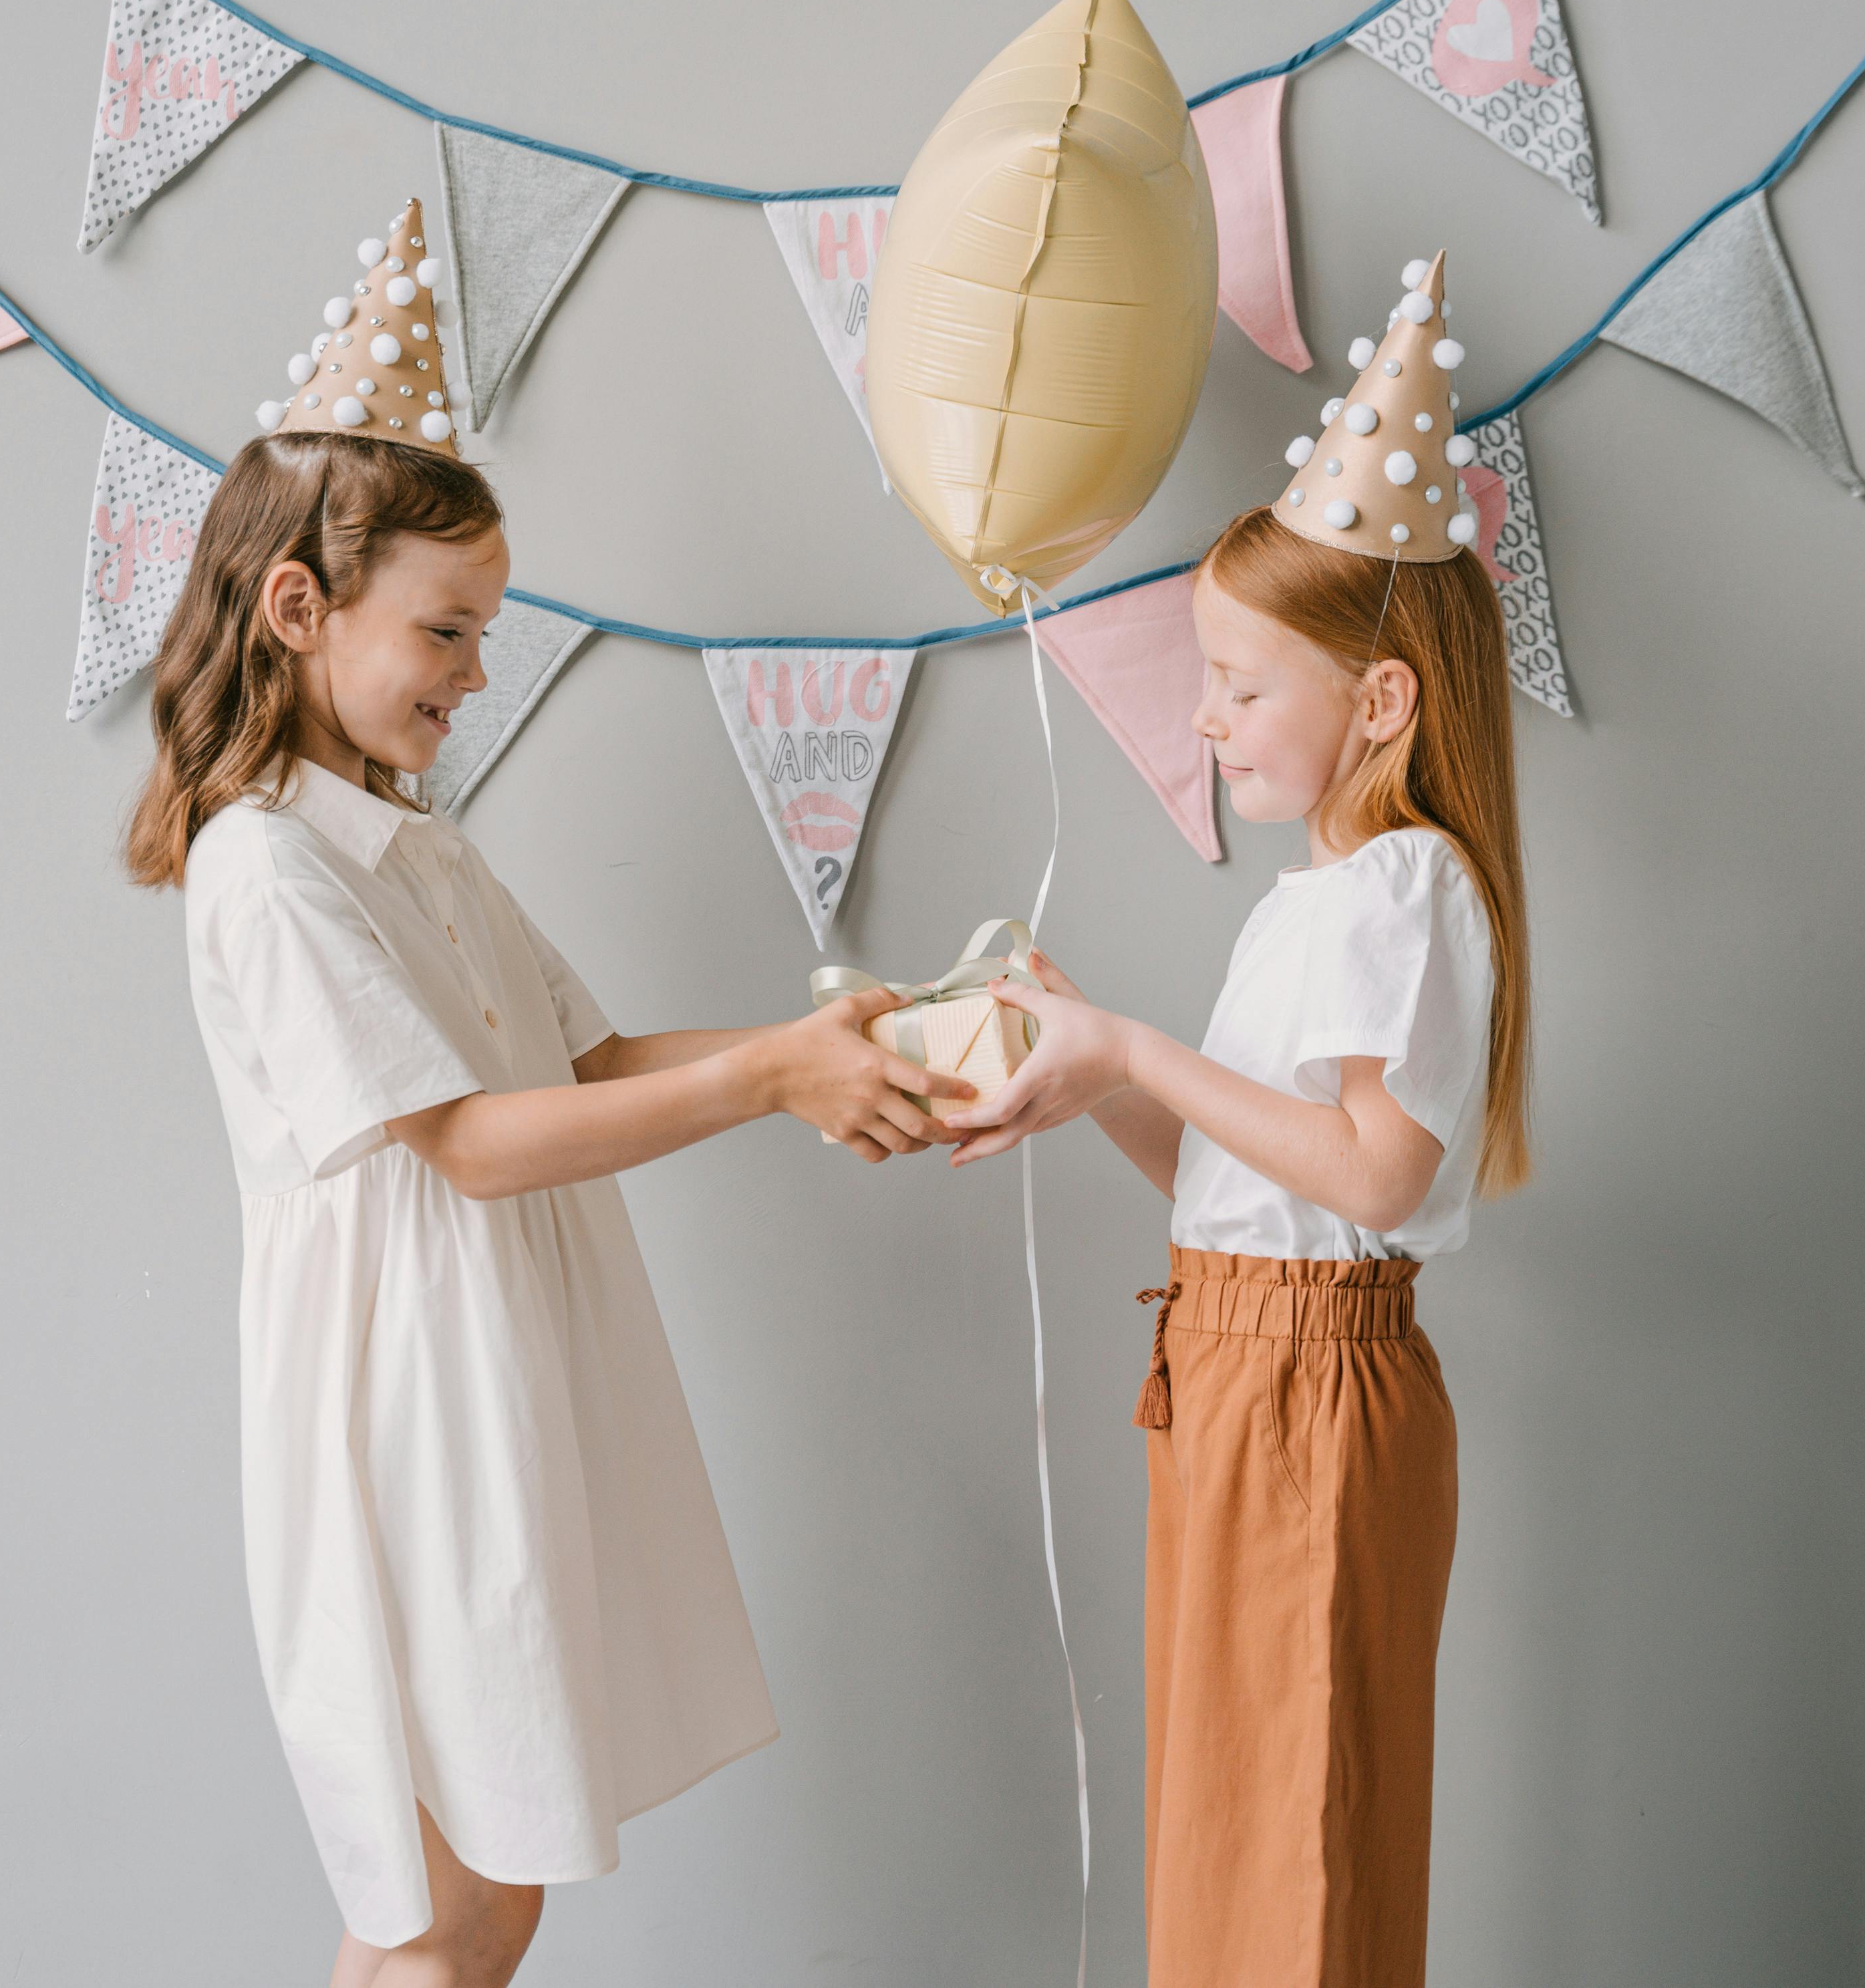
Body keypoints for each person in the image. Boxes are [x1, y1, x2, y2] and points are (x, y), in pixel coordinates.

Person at [128, 204, 968, 1988]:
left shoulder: (416, 853)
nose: (476, 676)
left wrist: (817, 1048)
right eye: (447, 629)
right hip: (408, 1406)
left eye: (489, 631)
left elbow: (573, 1066)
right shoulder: (270, 870)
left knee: (475, 1895)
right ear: (300, 609)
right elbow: (476, 1145)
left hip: (499, 1376)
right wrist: (764, 1082)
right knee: (444, 1903)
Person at [947, 257, 1532, 1988]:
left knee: (1298, 1840)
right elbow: (1246, 1187)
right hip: (1240, 1363)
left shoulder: (1407, 888)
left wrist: (1131, 1037)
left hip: (1308, 1392)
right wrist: (1095, 1078)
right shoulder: (1314, 899)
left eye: (1239, 682)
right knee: (1232, 1821)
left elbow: (1373, 1177)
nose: (1205, 717)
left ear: (1380, 702)